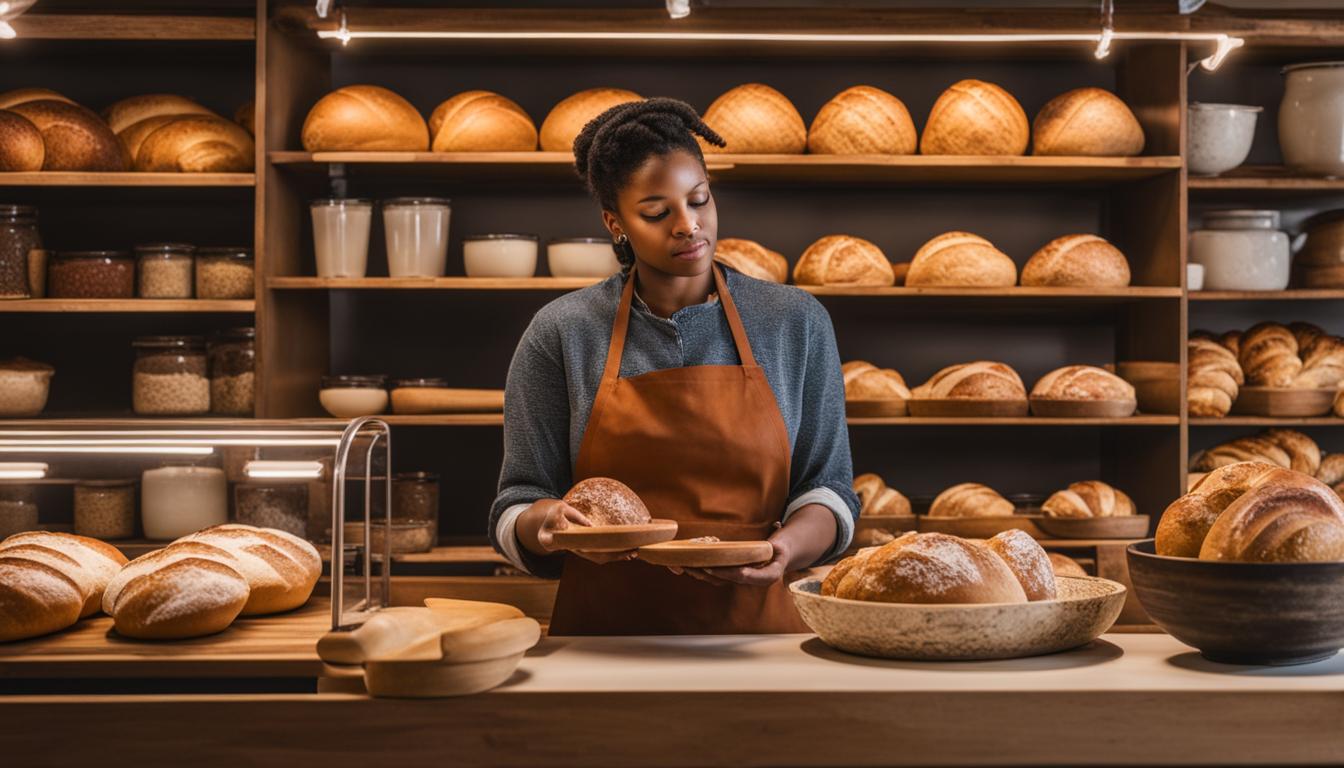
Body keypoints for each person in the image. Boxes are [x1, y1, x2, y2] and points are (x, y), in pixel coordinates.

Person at [489, 98, 858, 635]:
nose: (689, 226)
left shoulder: (795, 322)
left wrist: (787, 548)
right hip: (608, 642)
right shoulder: (561, 331)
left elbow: (827, 487)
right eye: (658, 212)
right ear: (615, 222)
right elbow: (517, 498)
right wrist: (545, 524)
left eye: (700, 200)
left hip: (761, 639)